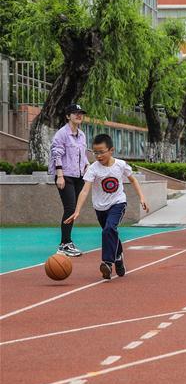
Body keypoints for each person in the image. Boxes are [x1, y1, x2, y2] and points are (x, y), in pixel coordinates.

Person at [64, 134, 149, 279]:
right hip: (100, 208)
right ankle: (118, 258)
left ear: (111, 150)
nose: (98, 156)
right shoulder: (93, 169)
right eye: (95, 152)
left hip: (118, 203)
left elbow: (133, 180)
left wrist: (142, 197)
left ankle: (107, 263)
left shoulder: (120, 165)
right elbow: (85, 190)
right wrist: (77, 210)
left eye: (101, 152)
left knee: (109, 229)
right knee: (110, 232)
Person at [50, 104, 90, 257]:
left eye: (80, 113)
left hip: (78, 176)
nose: (78, 115)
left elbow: (82, 154)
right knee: (70, 208)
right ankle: (64, 244)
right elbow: (57, 155)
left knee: (73, 210)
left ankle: (67, 242)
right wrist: (60, 176)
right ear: (68, 116)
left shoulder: (81, 135)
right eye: (75, 113)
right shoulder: (62, 134)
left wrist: (87, 166)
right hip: (65, 176)